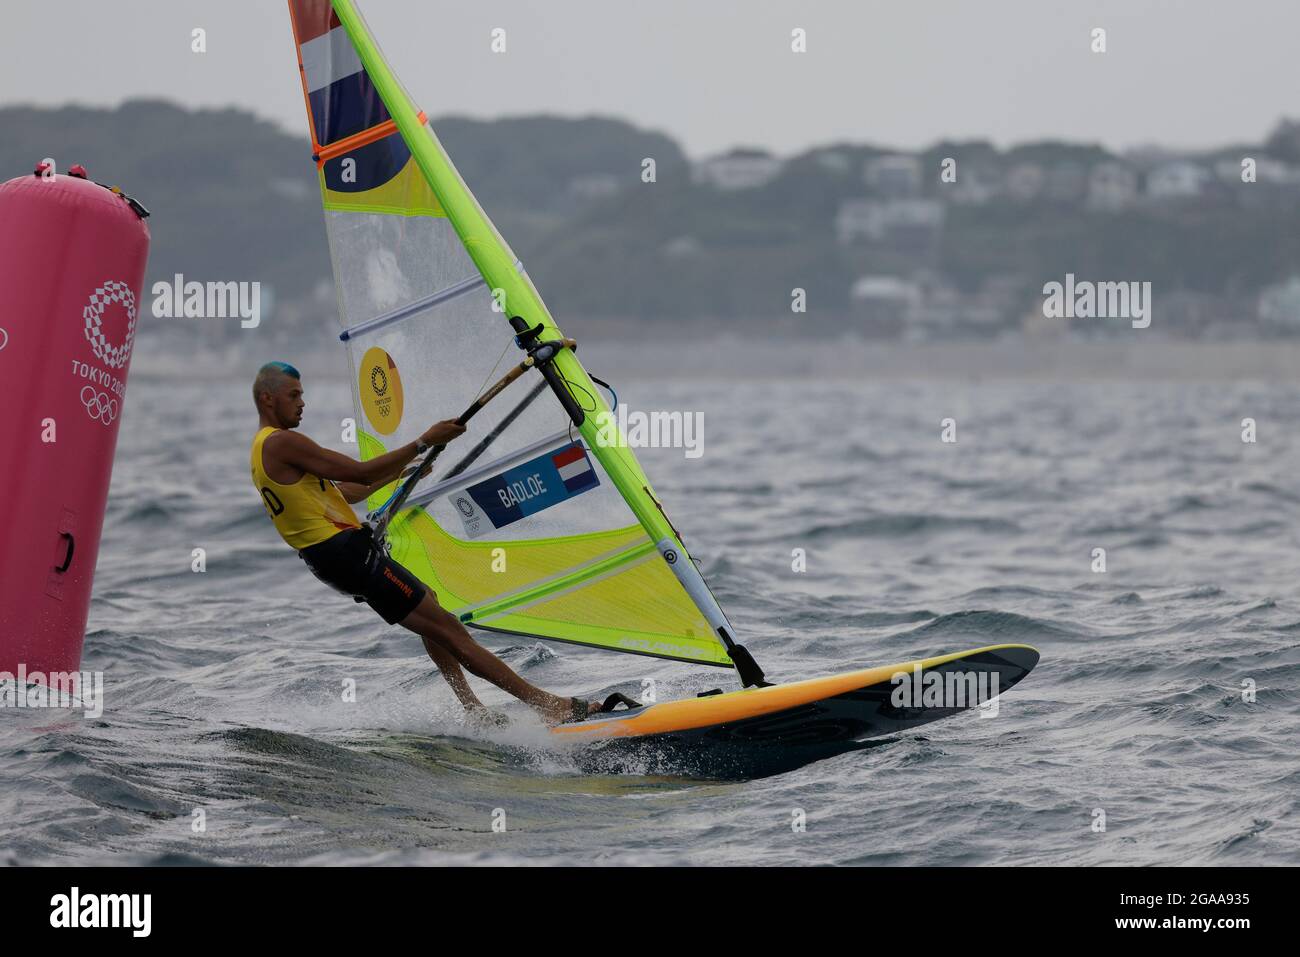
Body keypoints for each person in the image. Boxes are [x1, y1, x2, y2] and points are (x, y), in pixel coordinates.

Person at [248, 361, 602, 725]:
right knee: (450, 630)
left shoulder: (261, 449)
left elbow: (345, 492)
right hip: (349, 556)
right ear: (267, 398)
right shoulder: (282, 442)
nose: (302, 402)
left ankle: (473, 708)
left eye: (302, 394)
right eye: (294, 395)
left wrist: (404, 471)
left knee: (429, 605)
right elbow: (359, 471)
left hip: (335, 561)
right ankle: (548, 705)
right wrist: (423, 441)